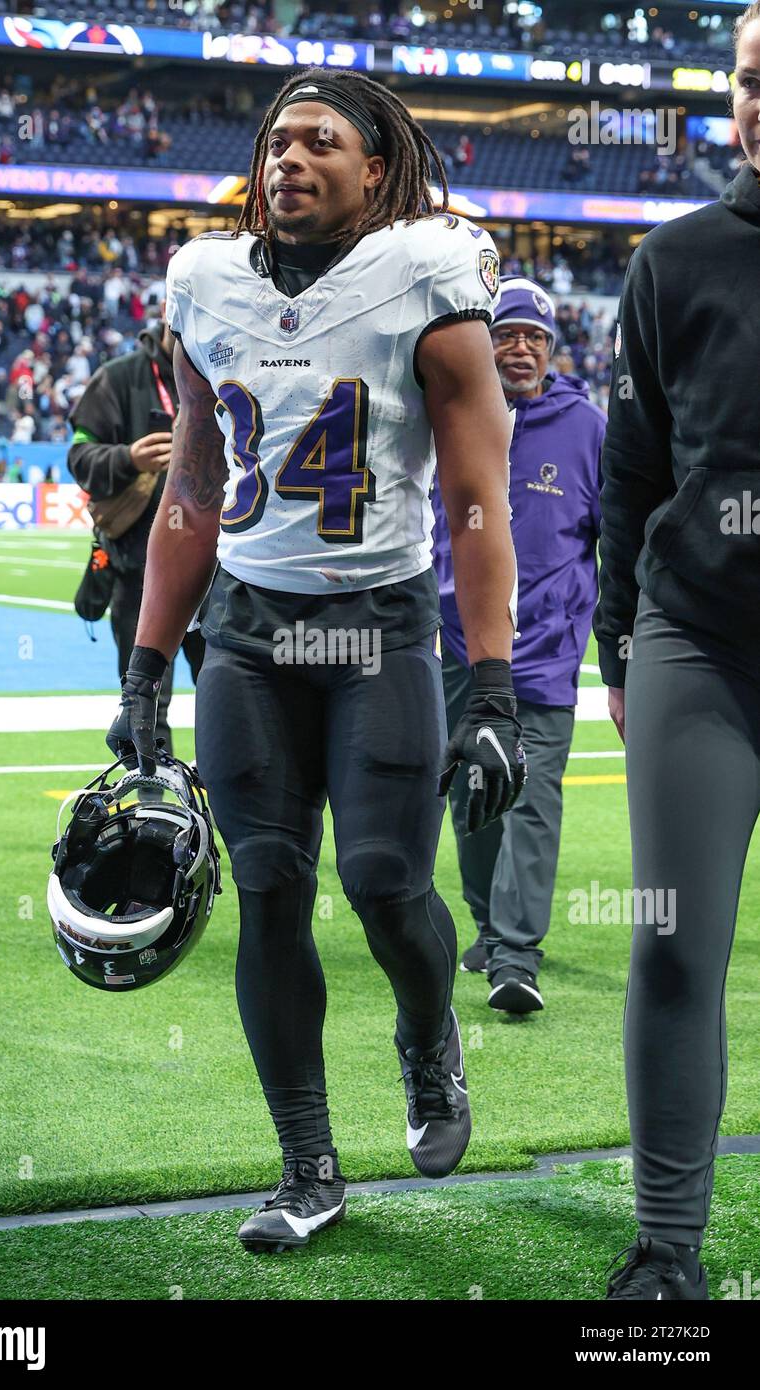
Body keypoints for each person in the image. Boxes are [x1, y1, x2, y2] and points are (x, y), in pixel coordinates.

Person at [106, 69, 526, 1252]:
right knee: (270, 887)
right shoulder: (203, 281)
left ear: (375, 169)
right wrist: (144, 668)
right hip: (248, 630)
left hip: (374, 628)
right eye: (276, 141)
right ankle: (307, 1165)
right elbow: (190, 488)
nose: (288, 159)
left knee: (387, 884)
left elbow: (476, 493)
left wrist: (488, 684)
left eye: (319, 142)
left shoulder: (426, 272)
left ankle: (425, 1034)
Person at [594, 0, 760, 1304]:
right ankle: (664, 1250)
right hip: (694, 641)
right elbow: (632, 471)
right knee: (667, 940)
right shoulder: (674, 261)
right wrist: (610, 640)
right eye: (746, 82)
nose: (755, 106)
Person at [432, 281, 604, 1013]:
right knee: (477, 793)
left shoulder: (588, 429)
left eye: (535, 337)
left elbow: (614, 538)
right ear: (483, 343)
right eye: (506, 335)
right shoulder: (450, 417)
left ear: (552, 350)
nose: (521, 348)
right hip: (460, 647)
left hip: (545, 656)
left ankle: (516, 955)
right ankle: (485, 925)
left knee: (532, 800)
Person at [68, 302, 205, 756]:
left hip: (221, 573)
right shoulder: (119, 377)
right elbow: (79, 457)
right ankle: (149, 807)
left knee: (229, 700)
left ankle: (228, 811)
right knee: (144, 707)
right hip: (138, 571)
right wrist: (128, 459)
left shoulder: (226, 368)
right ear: (168, 316)